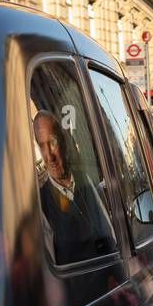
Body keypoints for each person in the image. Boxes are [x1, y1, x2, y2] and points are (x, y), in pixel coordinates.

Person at [32, 110, 115, 264]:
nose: (50, 156)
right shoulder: (40, 204)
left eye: (52, 142)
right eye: (42, 146)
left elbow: (110, 236)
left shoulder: (86, 181)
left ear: (64, 141)